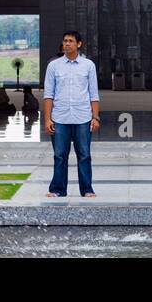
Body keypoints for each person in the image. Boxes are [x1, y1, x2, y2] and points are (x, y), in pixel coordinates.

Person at [43, 30, 100, 198]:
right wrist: (47, 119)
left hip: (83, 117)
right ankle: (57, 190)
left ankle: (87, 189)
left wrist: (95, 117)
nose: (67, 44)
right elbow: (48, 95)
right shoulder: (53, 66)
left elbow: (94, 94)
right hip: (60, 118)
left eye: (71, 41)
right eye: (65, 41)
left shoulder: (88, 65)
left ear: (79, 44)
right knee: (60, 155)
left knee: (84, 155)